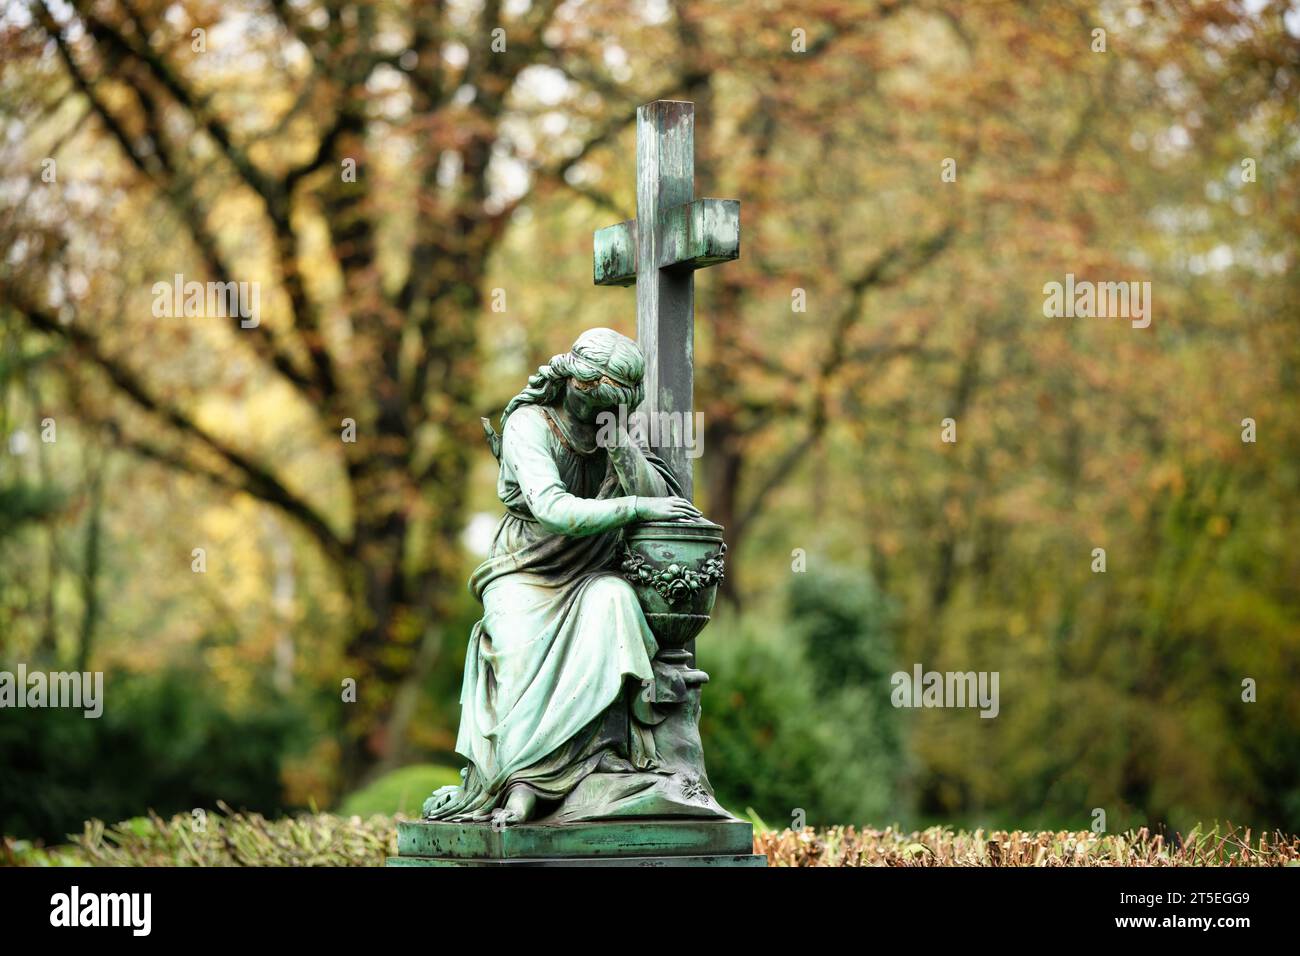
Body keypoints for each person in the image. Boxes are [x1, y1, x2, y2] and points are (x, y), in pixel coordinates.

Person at [423, 328, 699, 826]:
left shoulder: (613, 434)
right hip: (524, 573)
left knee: (616, 601)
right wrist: (635, 505)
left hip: (591, 573)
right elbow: (553, 508)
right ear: (570, 378)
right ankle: (523, 780)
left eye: (609, 404)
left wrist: (620, 449)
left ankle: (602, 759)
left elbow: (661, 498)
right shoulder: (529, 426)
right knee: (518, 644)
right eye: (590, 394)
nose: (594, 407)